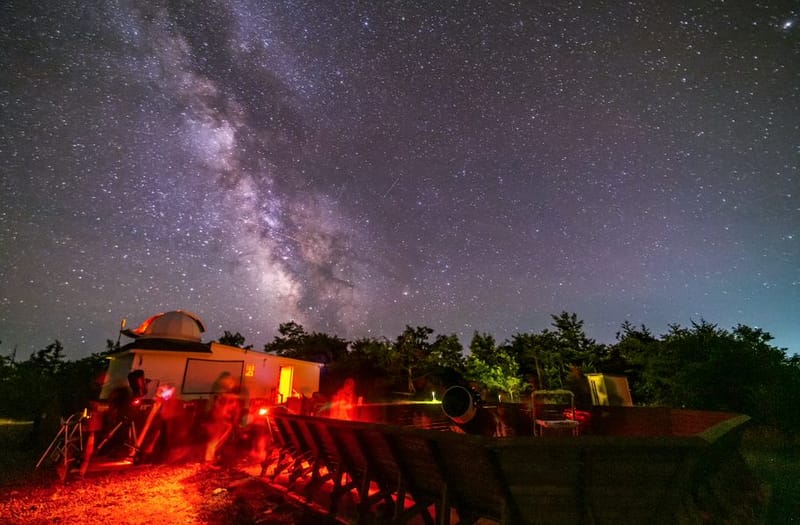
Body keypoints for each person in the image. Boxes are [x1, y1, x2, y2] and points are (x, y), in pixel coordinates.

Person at [204, 372, 241, 467]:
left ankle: (214, 457)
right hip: (217, 417)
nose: (231, 383)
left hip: (221, 418)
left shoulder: (224, 393)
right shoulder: (220, 393)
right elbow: (218, 404)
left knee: (221, 437)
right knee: (215, 439)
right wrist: (223, 414)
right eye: (229, 380)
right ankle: (209, 460)